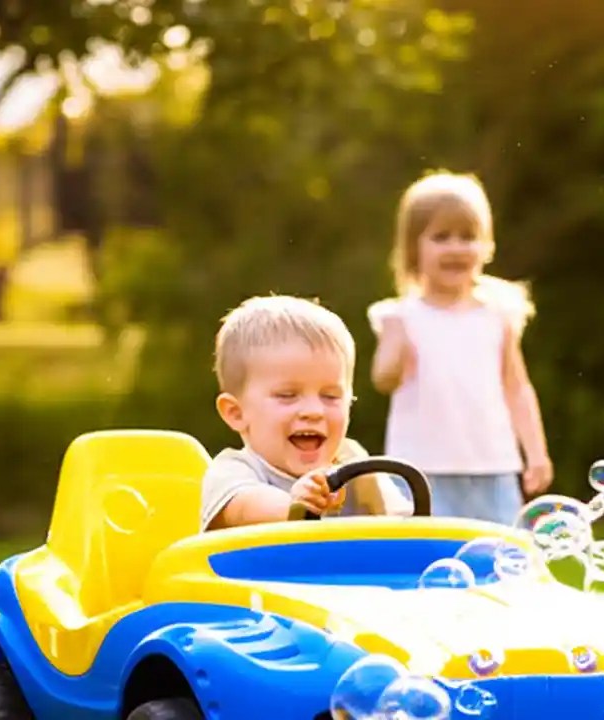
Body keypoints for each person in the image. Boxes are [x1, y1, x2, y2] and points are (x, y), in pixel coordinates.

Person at [368, 170, 552, 525]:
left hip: (492, 466)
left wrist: (536, 452)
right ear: (412, 249)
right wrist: (394, 338)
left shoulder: (498, 314)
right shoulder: (401, 316)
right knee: (425, 558)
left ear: (486, 246)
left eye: (467, 237)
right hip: (421, 470)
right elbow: (383, 379)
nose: (456, 247)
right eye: (441, 237)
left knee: (500, 557)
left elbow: (516, 387)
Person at [201, 294, 411, 531]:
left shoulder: (354, 464)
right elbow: (241, 509)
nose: (313, 411)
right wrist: (293, 505)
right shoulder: (234, 470)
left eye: (330, 396)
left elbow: (402, 523)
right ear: (236, 413)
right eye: (287, 395)